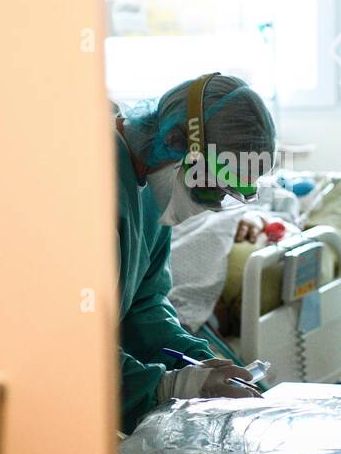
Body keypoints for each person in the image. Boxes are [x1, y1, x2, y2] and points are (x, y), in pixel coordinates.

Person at [114, 73, 277, 431]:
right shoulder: (93, 181)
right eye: (212, 187)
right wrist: (168, 386)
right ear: (176, 142)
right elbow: (65, 343)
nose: (215, 202)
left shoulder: (152, 193)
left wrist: (197, 362)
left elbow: (143, 306)